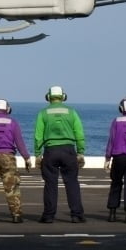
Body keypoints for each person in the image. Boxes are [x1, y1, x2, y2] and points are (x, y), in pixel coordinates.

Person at [33, 85, 86, 223]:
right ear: (63, 97)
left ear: (48, 97)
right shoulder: (72, 112)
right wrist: (80, 152)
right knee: (72, 182)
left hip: (50, 151)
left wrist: (37, 154)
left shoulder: (43, 113)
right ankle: (76, 215)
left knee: (50, 183)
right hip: (68, 150)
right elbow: (79, 134)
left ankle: (48, 216)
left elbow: (38, 136)